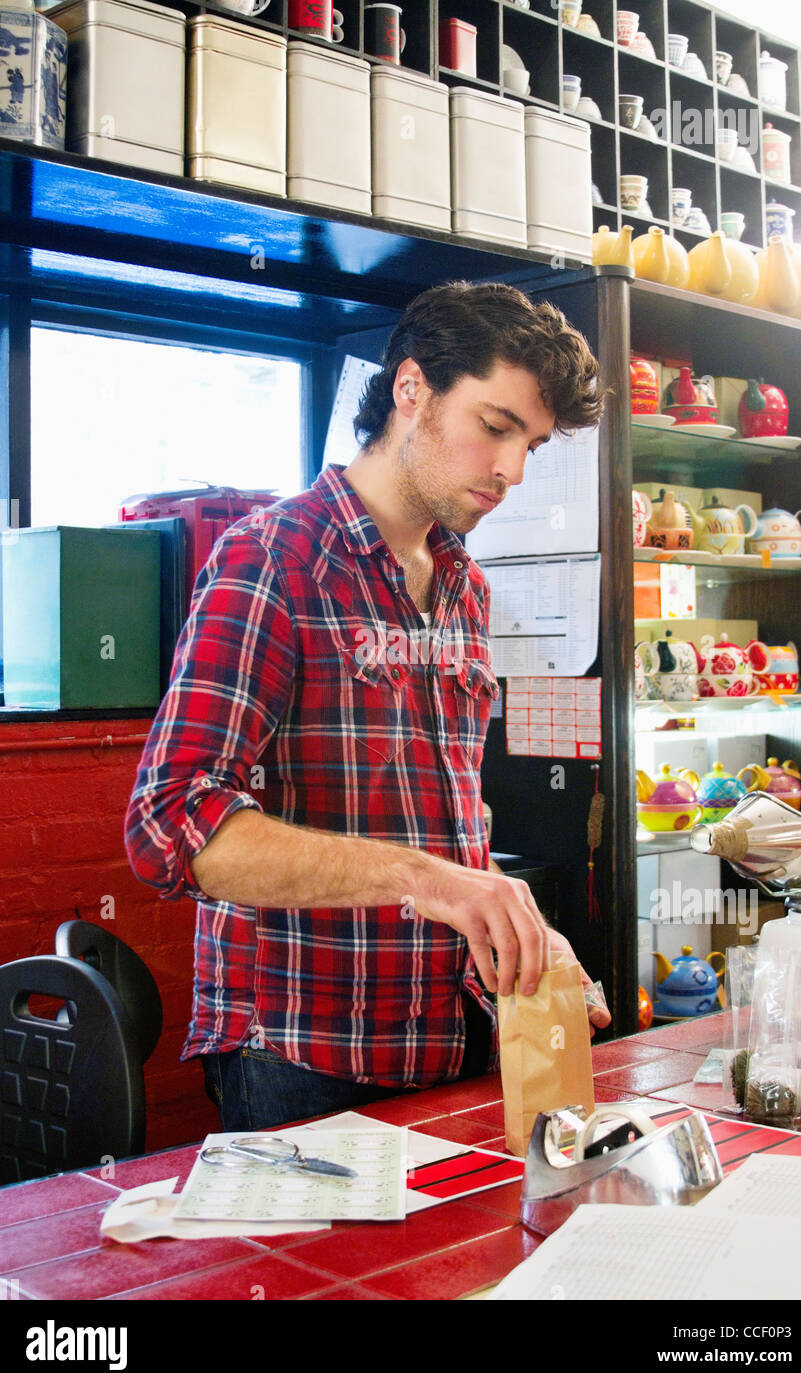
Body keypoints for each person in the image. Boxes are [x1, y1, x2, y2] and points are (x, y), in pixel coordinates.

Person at [124, 280, 609, 1132]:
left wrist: (509, 921)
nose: (512, 471)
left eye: (531, 444)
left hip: (459, 1036)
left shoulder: (468, 588)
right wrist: (428, 879)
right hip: (307, 1057)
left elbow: (440, 830)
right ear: (411, 388)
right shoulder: (272, 559)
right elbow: (172, 826)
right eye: (496, 428)